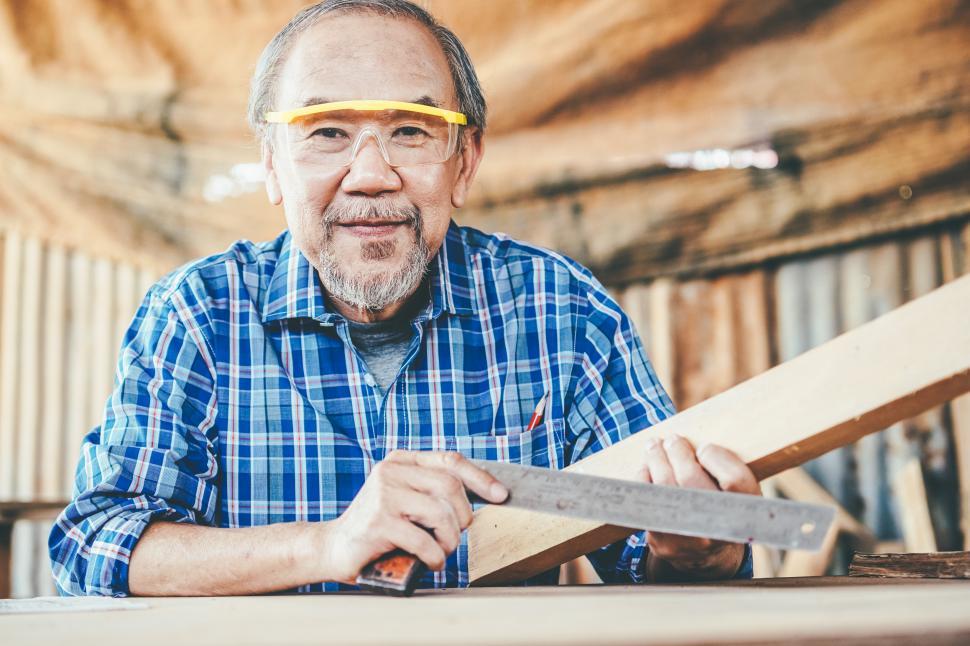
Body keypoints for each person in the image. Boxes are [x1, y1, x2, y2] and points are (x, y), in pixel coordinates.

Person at [49, 0, 760, 596]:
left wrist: (699, 549)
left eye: (410, 133)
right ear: (272, 166)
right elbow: (97, 543)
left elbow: (652, 554)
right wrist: (326, 546)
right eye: (327, 133)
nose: (370, 176)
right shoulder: (197, 315)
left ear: (464, 162)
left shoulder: (562, 312)